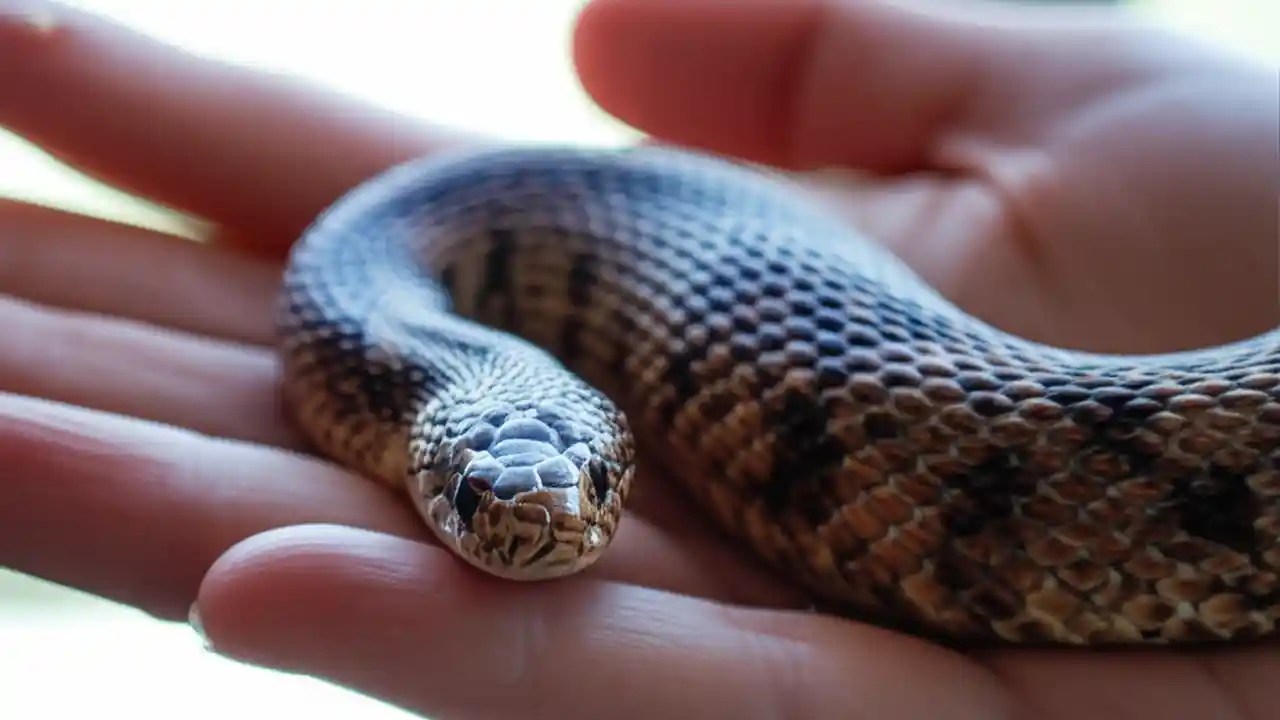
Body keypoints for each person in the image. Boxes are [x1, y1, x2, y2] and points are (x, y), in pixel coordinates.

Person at [0, 1, 1274, 718]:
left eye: (588, 493)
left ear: (614, 455)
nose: (547, 525)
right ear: (421, 455)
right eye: (483, 502)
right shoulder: (380, 339)